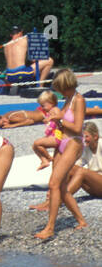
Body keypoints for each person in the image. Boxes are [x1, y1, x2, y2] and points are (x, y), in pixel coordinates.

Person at [35, 69, 88, 242]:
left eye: (60, 87)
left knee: (54, 183)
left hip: (73, 143)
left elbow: (78, 127)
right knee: (62, 187)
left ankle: (50, 228)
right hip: (62, 142)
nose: (59, 91)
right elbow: (64, 123)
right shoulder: (68, 99)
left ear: (66, 85)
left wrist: (59, 118)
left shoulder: (78, 100)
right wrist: (55, 121)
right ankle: (81, 220)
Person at [30, 90, 66, 170]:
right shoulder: (49, 111)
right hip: (51, 135)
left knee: (37, 143)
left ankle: (49, 158)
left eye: (43, 106)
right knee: (34, 146)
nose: (42, 108)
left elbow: (60, 116)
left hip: (56, 136)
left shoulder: (55, 109)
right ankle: (44, 161)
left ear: (52, 103)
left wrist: (51, 117)